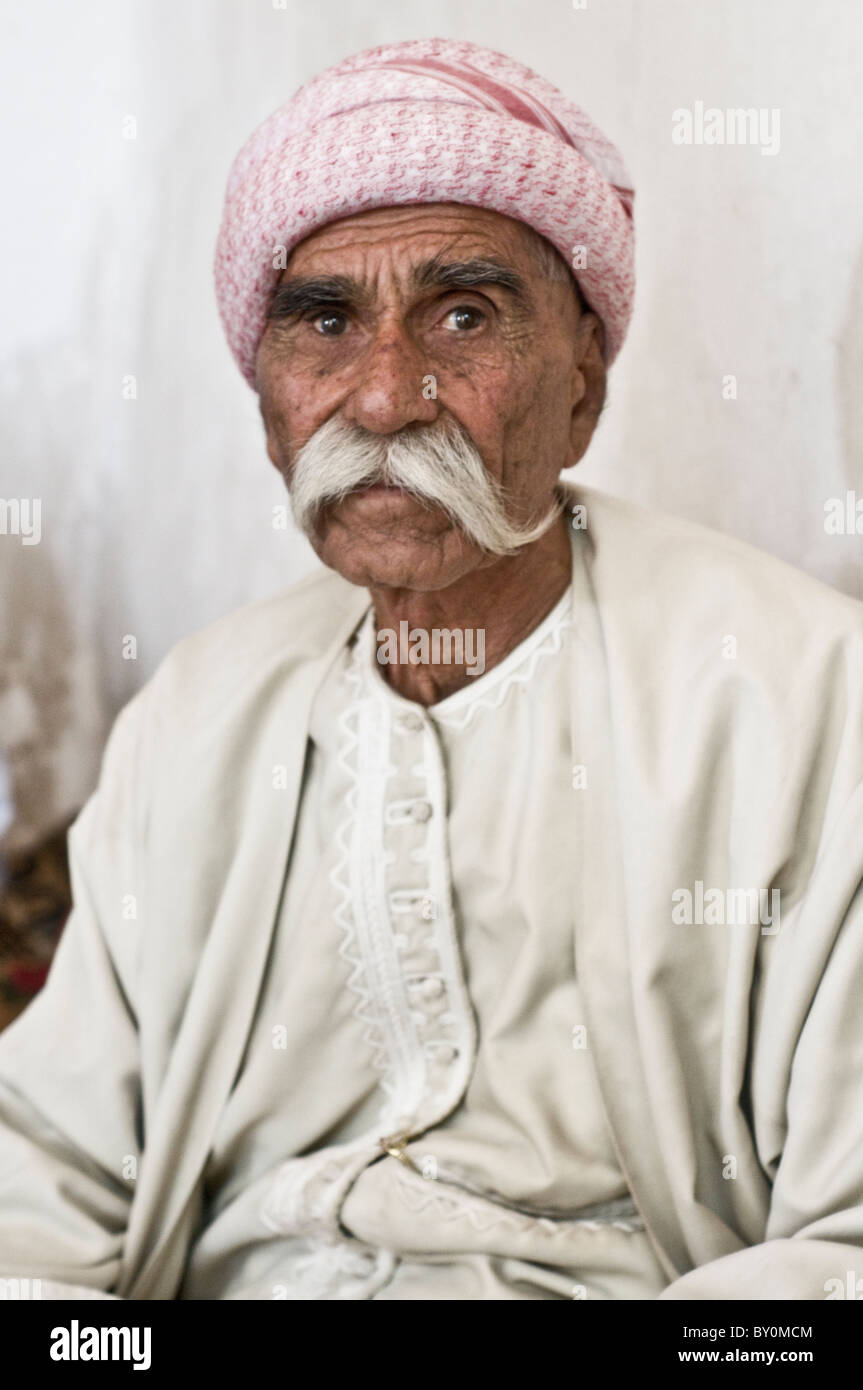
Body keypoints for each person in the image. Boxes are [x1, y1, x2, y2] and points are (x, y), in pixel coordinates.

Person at [1, 36, 862, 1302]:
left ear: (582, 381)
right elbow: (45, 1172)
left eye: (463, 315)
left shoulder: (802, 702)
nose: (387, 395)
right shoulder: (195, 713)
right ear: (263, 399)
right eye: (325, 322)